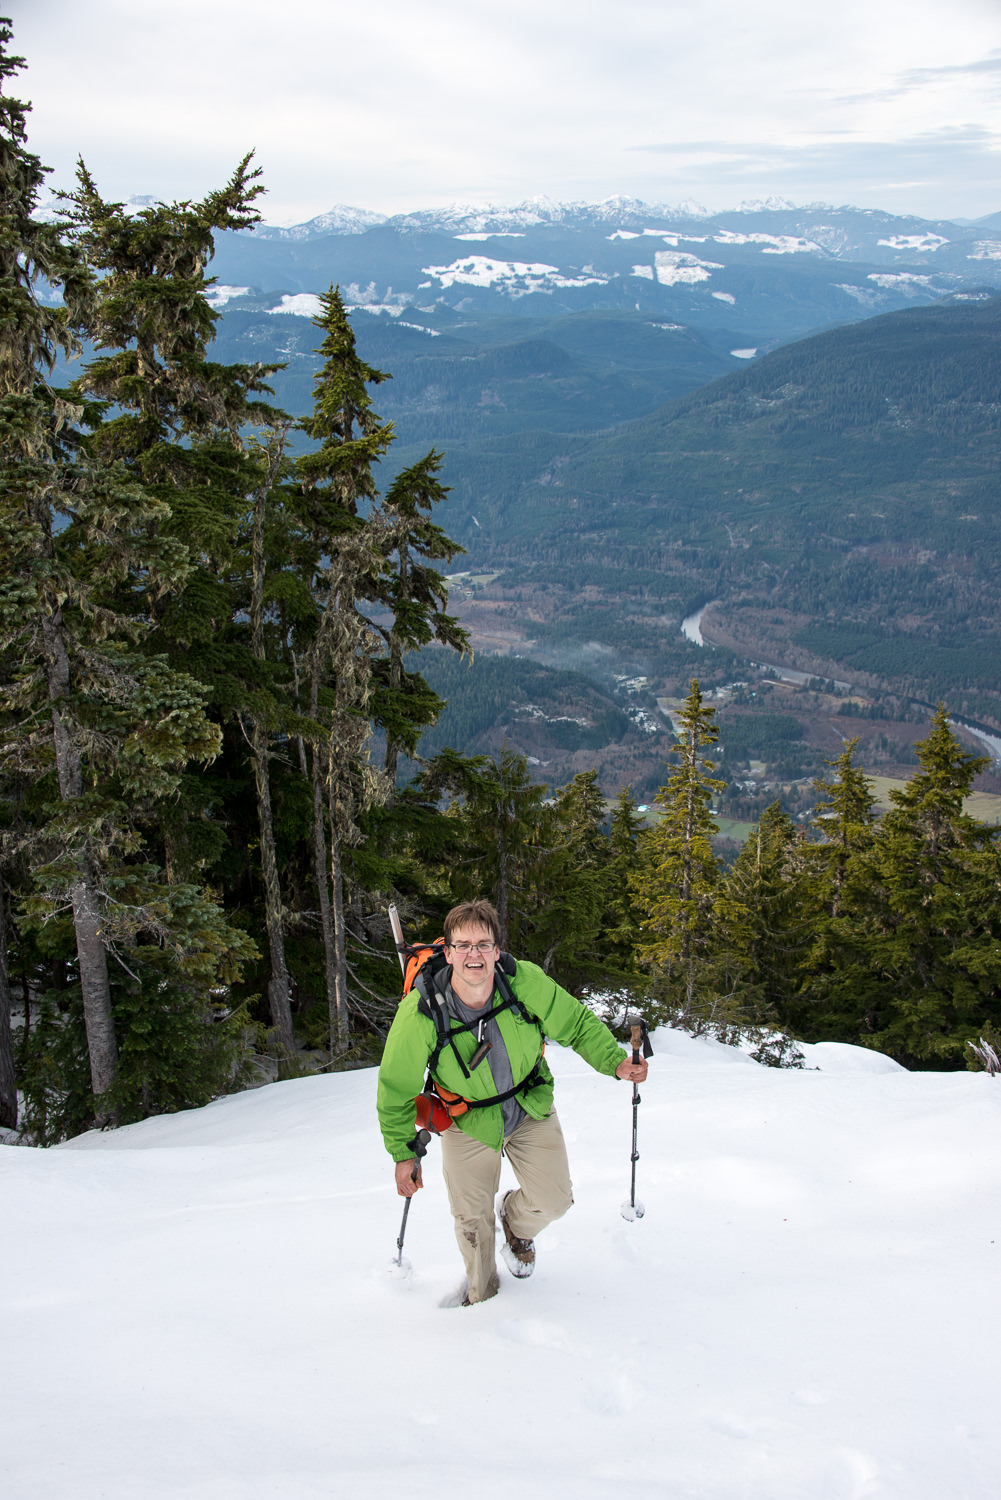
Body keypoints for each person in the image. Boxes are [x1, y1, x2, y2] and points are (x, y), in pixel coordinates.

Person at [376, 899, 649, 1305]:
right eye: (463, 946)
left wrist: (615, 1062)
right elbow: (396, 1088)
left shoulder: (522, 981)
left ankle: (516, 1224)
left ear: (497, 950)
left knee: (554, 1200)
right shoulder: (421, 1014)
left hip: (527, 1103)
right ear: (448, 953)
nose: (474, 955)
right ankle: (482, 1300)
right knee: (471, 1221)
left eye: (483, 944)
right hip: (466, 1118)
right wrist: (403, 1153)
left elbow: (573, 1022)